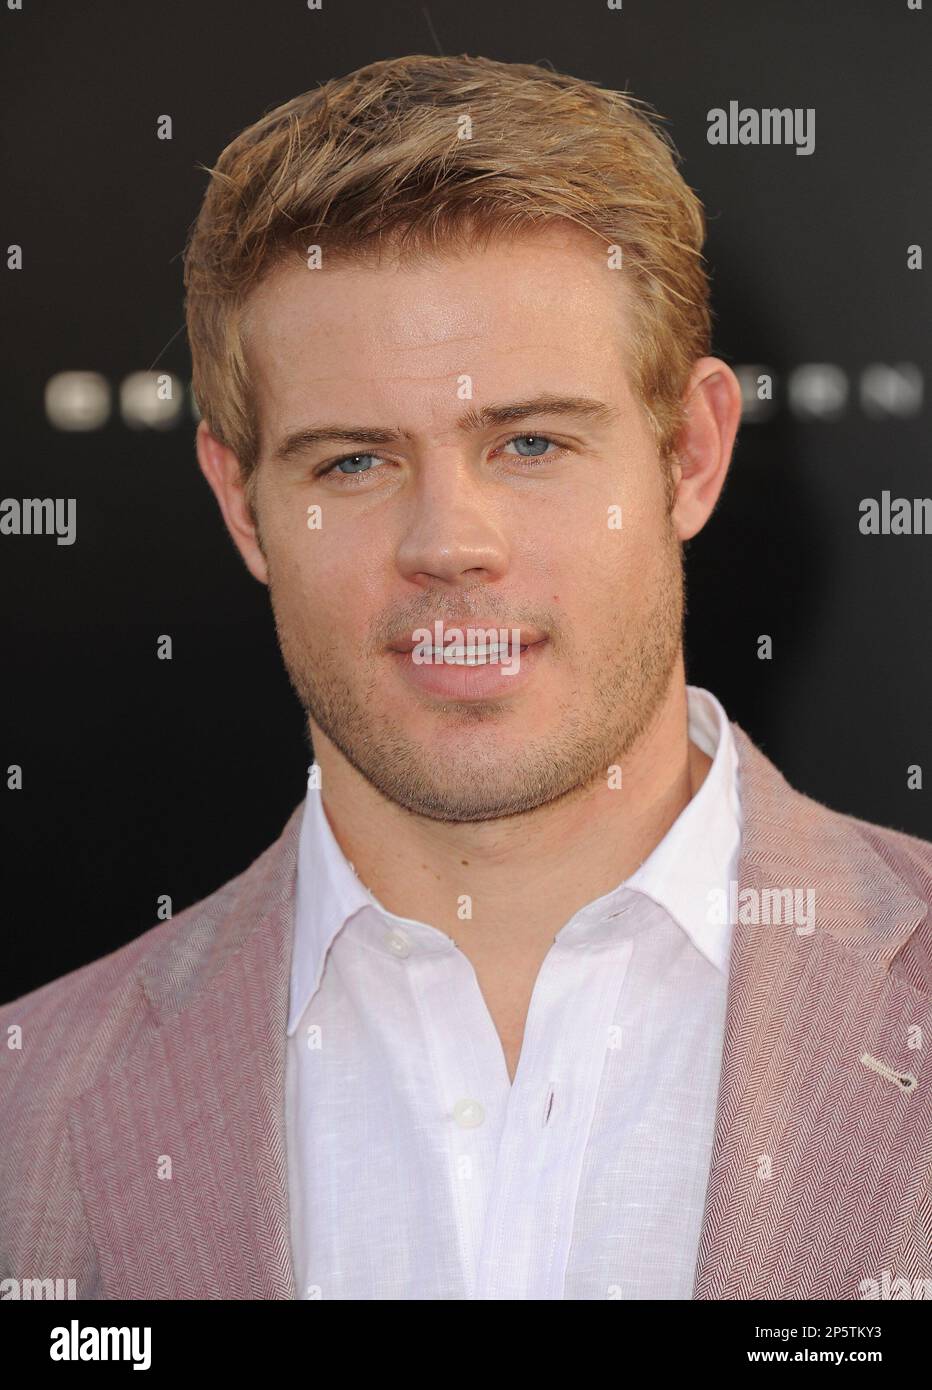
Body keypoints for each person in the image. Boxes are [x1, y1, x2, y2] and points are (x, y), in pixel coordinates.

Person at [3, 54, 931, 1302]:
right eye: (351, 463)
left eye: (531, 441)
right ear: (241, 504)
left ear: (690, 454)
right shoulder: (31, 1099)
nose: (449, 543)